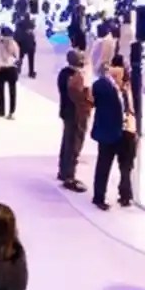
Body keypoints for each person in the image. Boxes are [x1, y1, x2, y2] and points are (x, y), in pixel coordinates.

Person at [90, 63, 136, 210]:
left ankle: (125, 195)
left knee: (126, 166)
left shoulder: (125, 88)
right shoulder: (102, 86)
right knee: (104, 166)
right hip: (108, 133)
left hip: (126, 131)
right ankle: (99, 197)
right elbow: (94, 95)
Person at [57, 50, 92, 192]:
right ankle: (69, 176)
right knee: (74, 143)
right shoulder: (75, 77)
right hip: (76, 114)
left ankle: (63, 171)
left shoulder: (63, 73)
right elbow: (79, 96)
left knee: (67, 141)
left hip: (66, 111)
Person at [0, 26, 21, 120]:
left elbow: (16, 57)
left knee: (12, 91)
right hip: (2, 68)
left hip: (10, 68)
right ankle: (1, 110)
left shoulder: (13, 44)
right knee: (0, 90)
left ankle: (11, 112)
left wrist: (8, 45)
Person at [16, 12, 37, 79]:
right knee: (31, 59)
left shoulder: (19, 24)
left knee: (20, 57)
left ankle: (18, 68)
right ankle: (31, 72)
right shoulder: (31, 24)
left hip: (21, 44)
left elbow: (16, 34)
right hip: (30, 44)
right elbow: (33, 27)